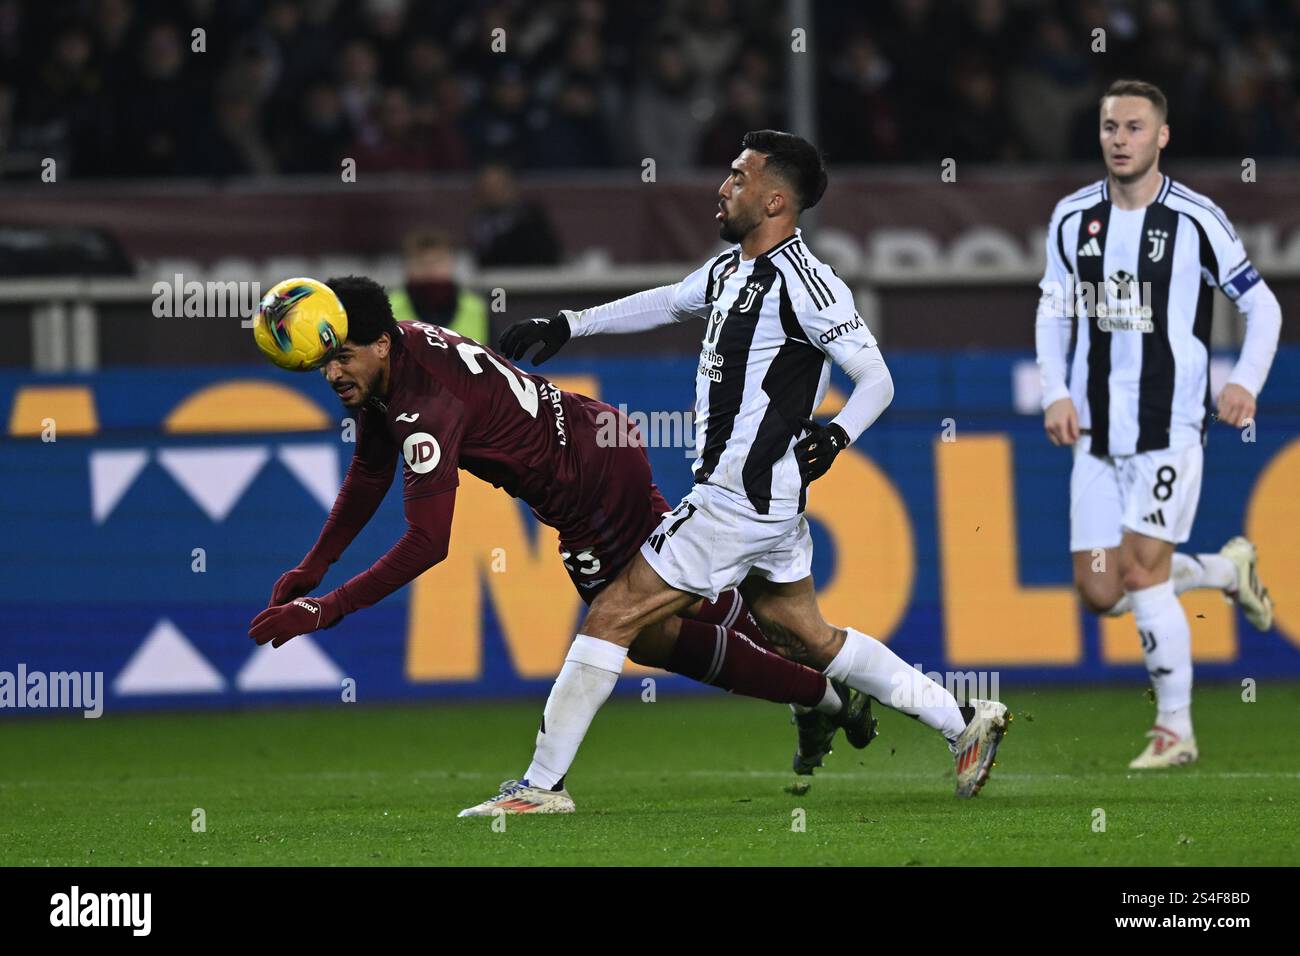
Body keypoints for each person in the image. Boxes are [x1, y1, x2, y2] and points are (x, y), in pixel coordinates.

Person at [465, 130, 1010, 816]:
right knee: (805, 635)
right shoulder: (730, 271)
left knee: (613, 612)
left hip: (739, 501)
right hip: (763, 501)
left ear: (775, 198)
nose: (723, 188)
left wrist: (839, 434)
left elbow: (876, 378)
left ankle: (540, 788)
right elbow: (666, 302)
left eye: (738, 177)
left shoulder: (808, 283)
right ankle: (963, 722)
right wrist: (568, 324)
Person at [247, 276, 876, 774]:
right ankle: (821, 691)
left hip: (587, 485)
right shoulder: (401, 352)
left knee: (641, 626)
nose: (332, 375)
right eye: (324, 363)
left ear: (380, 343)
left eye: (342, 359)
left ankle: (818, 691)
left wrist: (324, 610)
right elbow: (368, 471)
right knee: (669, 611)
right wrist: (313, 566)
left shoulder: (423, 406)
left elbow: (428, 542)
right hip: (596, 446)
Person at [1034, 79, 1281, 769]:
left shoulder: (1197, 219)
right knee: (1100, 590)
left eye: (1135, 127)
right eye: (1111, 126)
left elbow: (1263, 308)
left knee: (1142, 576)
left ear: (1161, 137)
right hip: (1094, 436)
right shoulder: (1071, 218)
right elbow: (1054, 311)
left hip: (1169, 426)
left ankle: (1175, 731)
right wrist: (1056, 391)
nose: (1120, 139)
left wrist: (1244, 381)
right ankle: (1225, 572)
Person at [388, 230, 488, 343]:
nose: (431, 270)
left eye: (438, 261)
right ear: (407, 267)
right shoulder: (386, 311)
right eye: (421, 262)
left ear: (452, 263)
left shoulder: (477, 309)